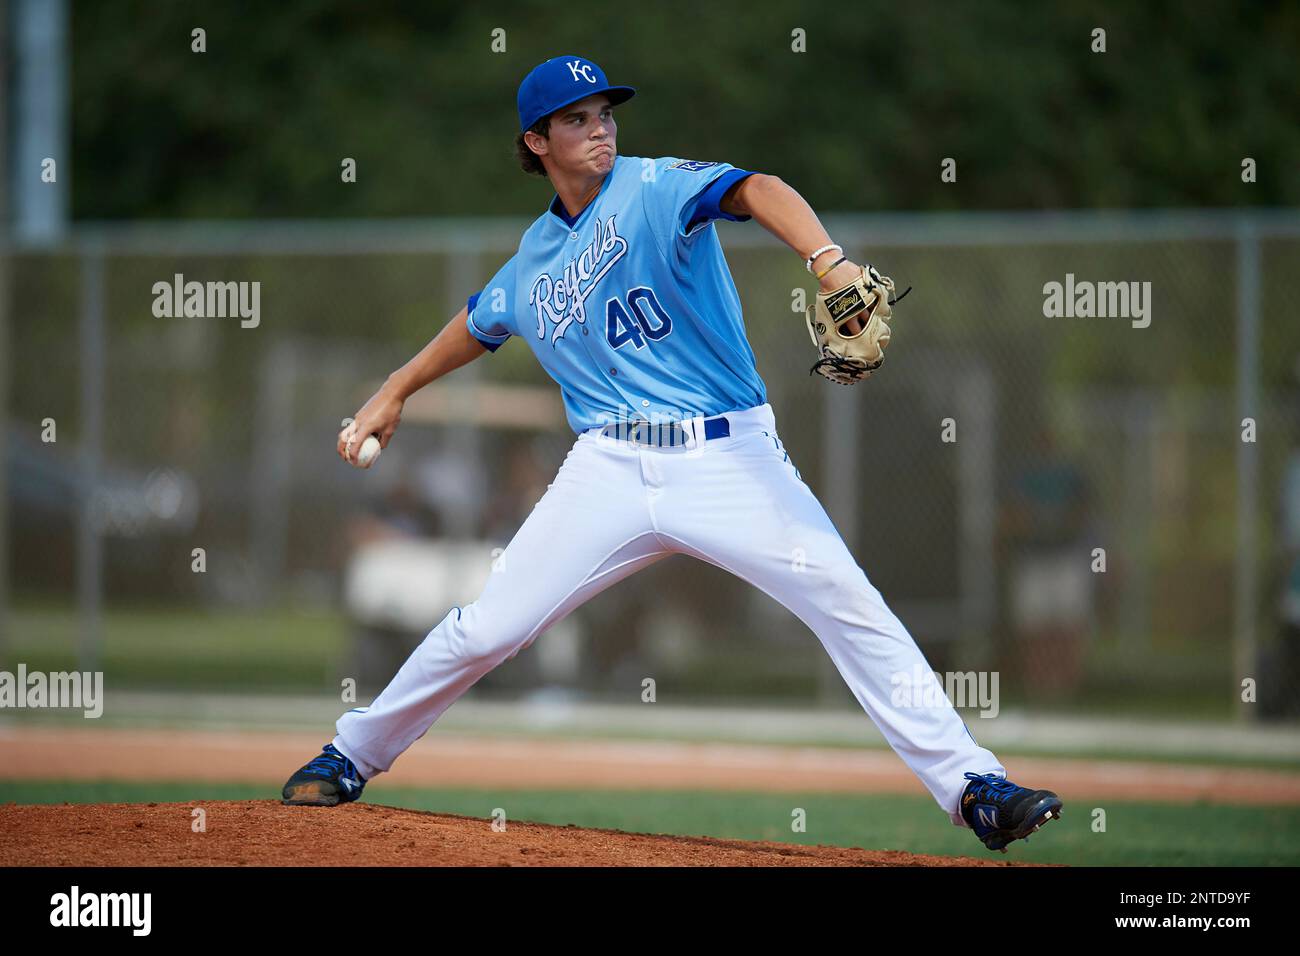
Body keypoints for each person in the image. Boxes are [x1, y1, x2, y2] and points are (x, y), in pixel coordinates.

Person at [281, 55, 1062, 853]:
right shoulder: (536, 258)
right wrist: (397, 388)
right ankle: (351, 753)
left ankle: (974, 788)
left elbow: (756, 188)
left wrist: (825, 258)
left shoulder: (655, 187)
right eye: (578, 119)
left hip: (729, 457)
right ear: (536, 140)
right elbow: (481, 319)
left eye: (606, 114)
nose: (600, 130)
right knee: (489, 628)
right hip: (608, 468)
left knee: (845, 598)